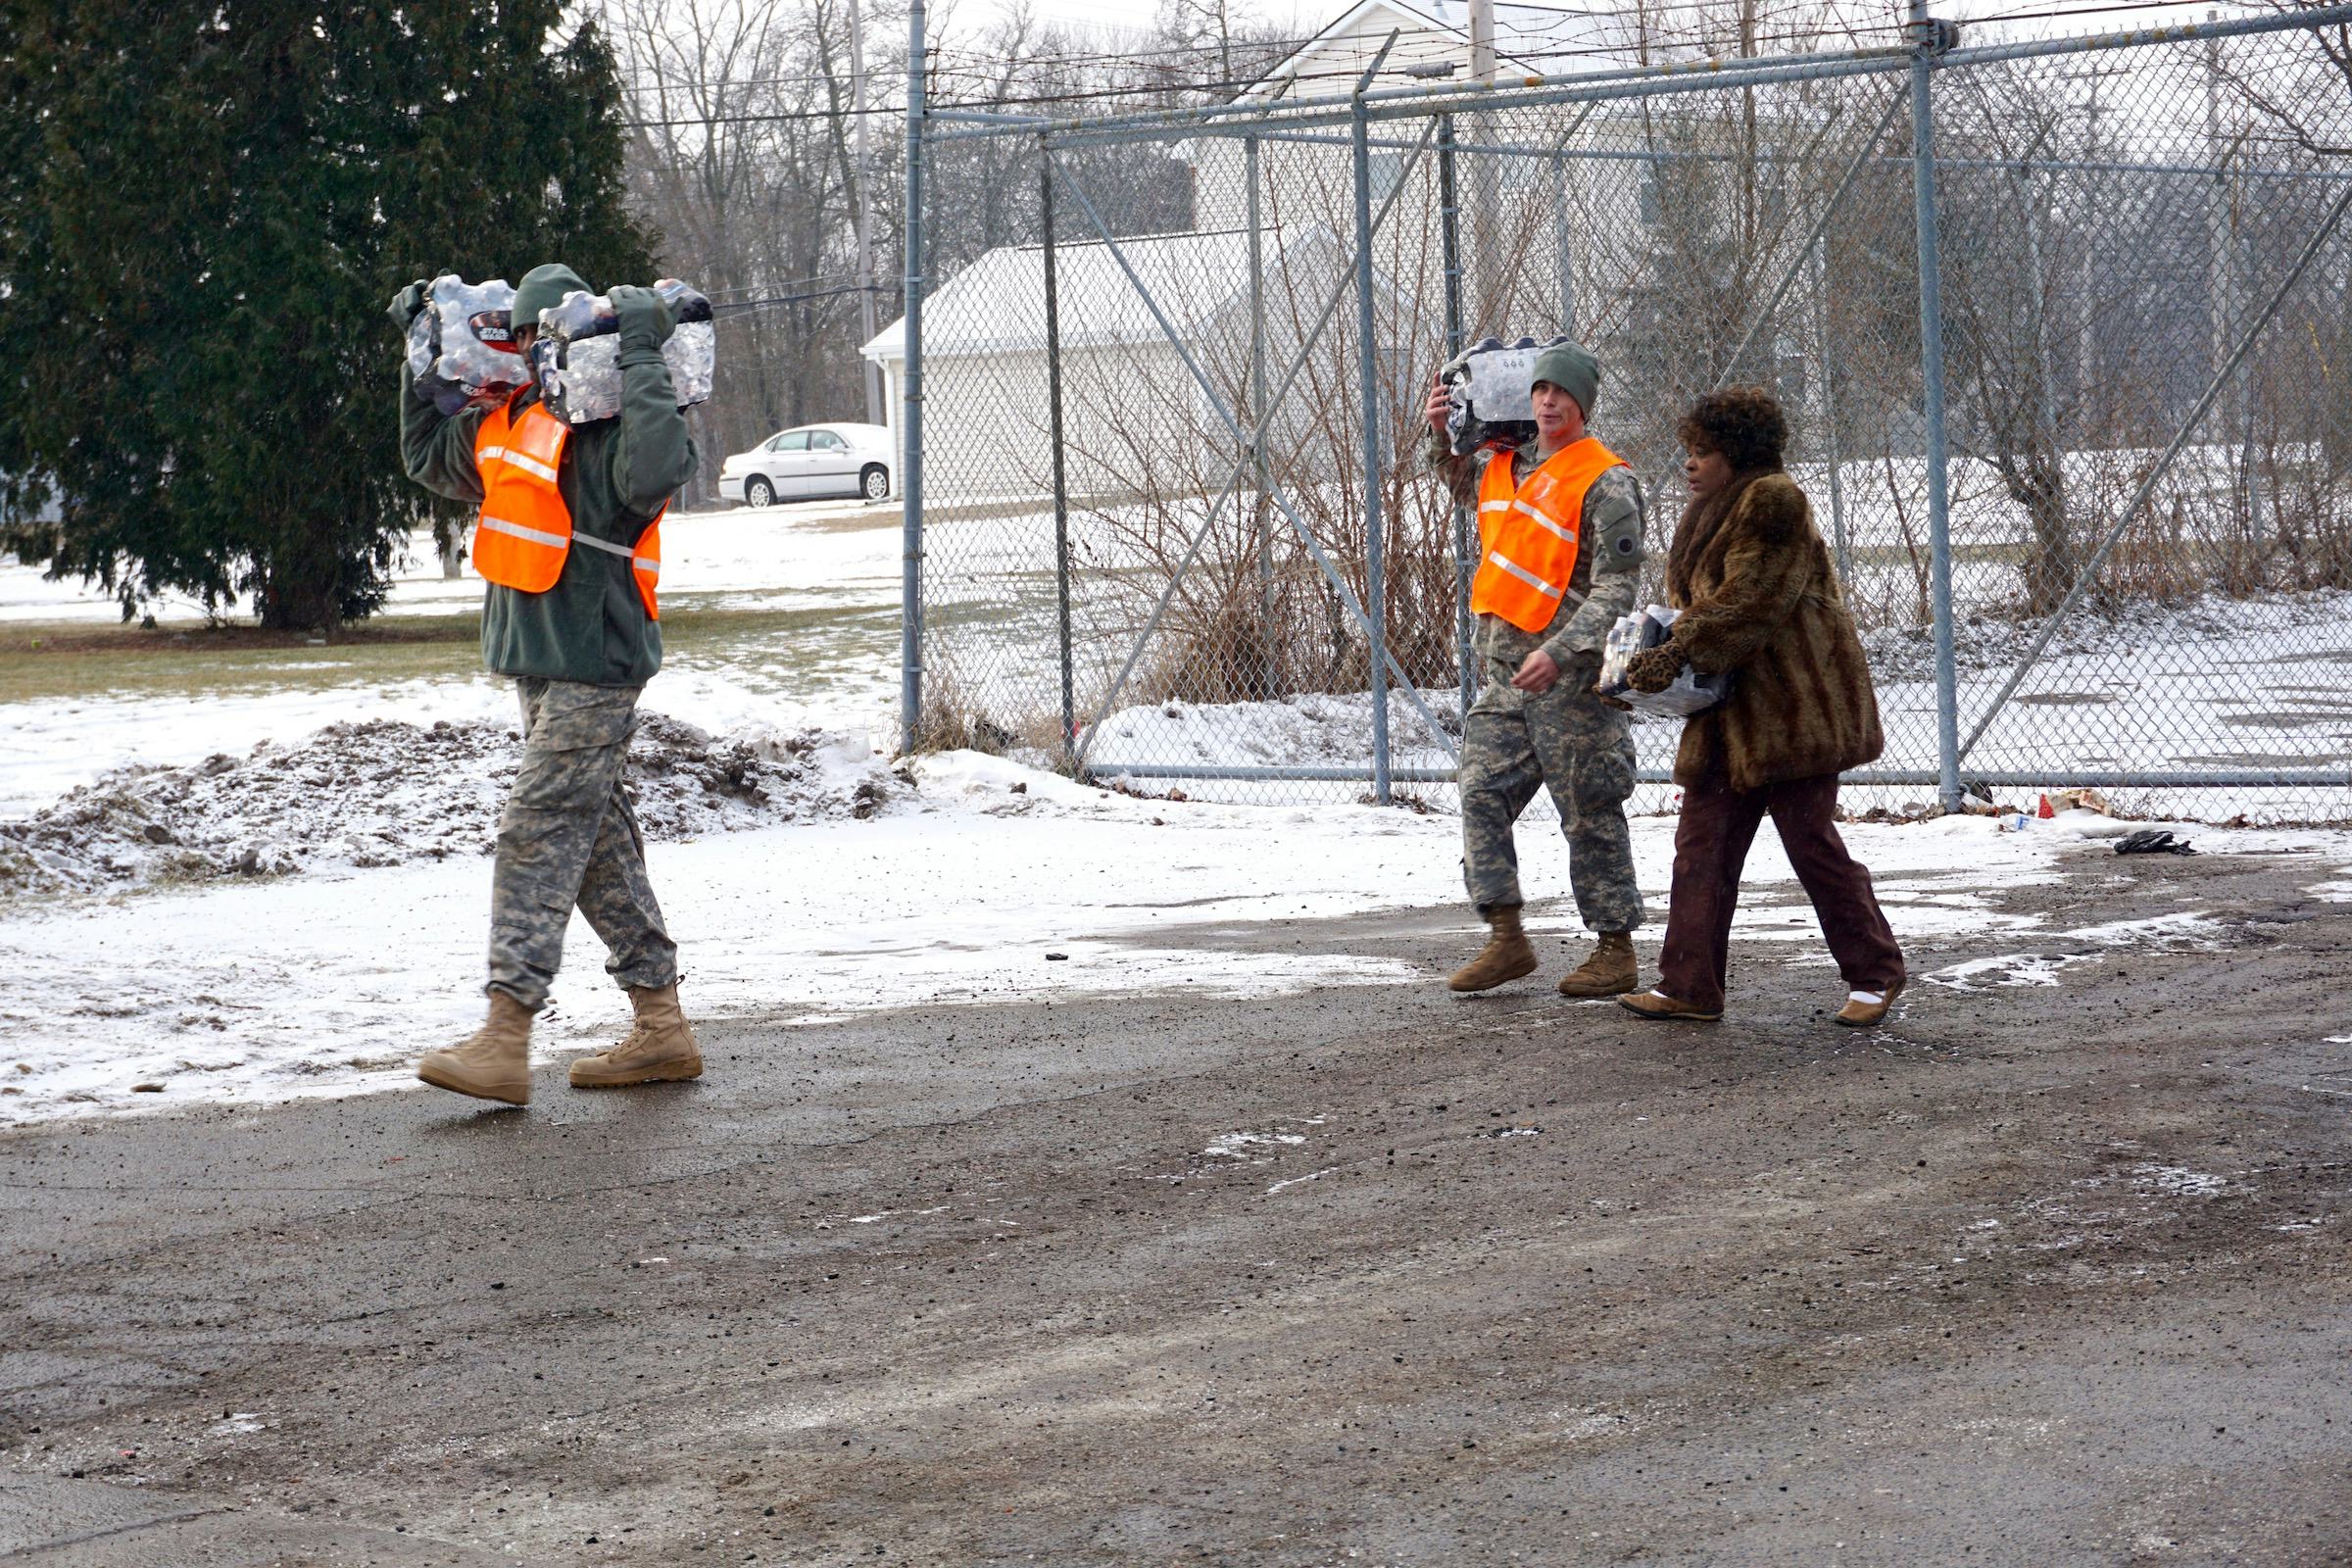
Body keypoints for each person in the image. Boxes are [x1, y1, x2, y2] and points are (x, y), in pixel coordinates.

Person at [389, 265, 703, 1105]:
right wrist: (415, 348)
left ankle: (505, 1032)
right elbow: (426, 455)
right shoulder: (509, 419)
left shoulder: (613, 420)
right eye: (525, 337)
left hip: (597, 657)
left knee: (537, 825)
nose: (535, 349)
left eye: (546, 335)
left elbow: (660, 470)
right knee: (596, 838)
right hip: (533, 658)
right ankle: (662, 1027)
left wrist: (640, 353)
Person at [1616, 386, 1905, 1027]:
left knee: (1809, 841)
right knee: (1702, 847)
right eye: (1688, 451)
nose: (1689, 464)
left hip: (1791, 706)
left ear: (1739, 453)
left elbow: (1752, 599)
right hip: (1727, 711)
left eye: (1703, 451)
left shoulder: (1773, 501)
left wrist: (1679, 648)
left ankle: (1877, 972)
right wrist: (1643, 656)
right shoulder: (1707, 510)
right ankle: (1688, 986)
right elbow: (1701, 605)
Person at [1424, 341, 1648, 999]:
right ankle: (1507, 937)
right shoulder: (1505, 464)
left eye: (1563, 394)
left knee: (1589, 812)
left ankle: (1615, 949)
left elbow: (1618, 590)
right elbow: (1454, 479)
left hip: (1570, 682)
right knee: (1480, 792)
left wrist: (1564, 651)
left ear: (1583, 405)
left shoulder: (1607, 482)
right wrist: (1441, 433)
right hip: (1509, 678)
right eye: (1542, 391)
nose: (1549, 403)